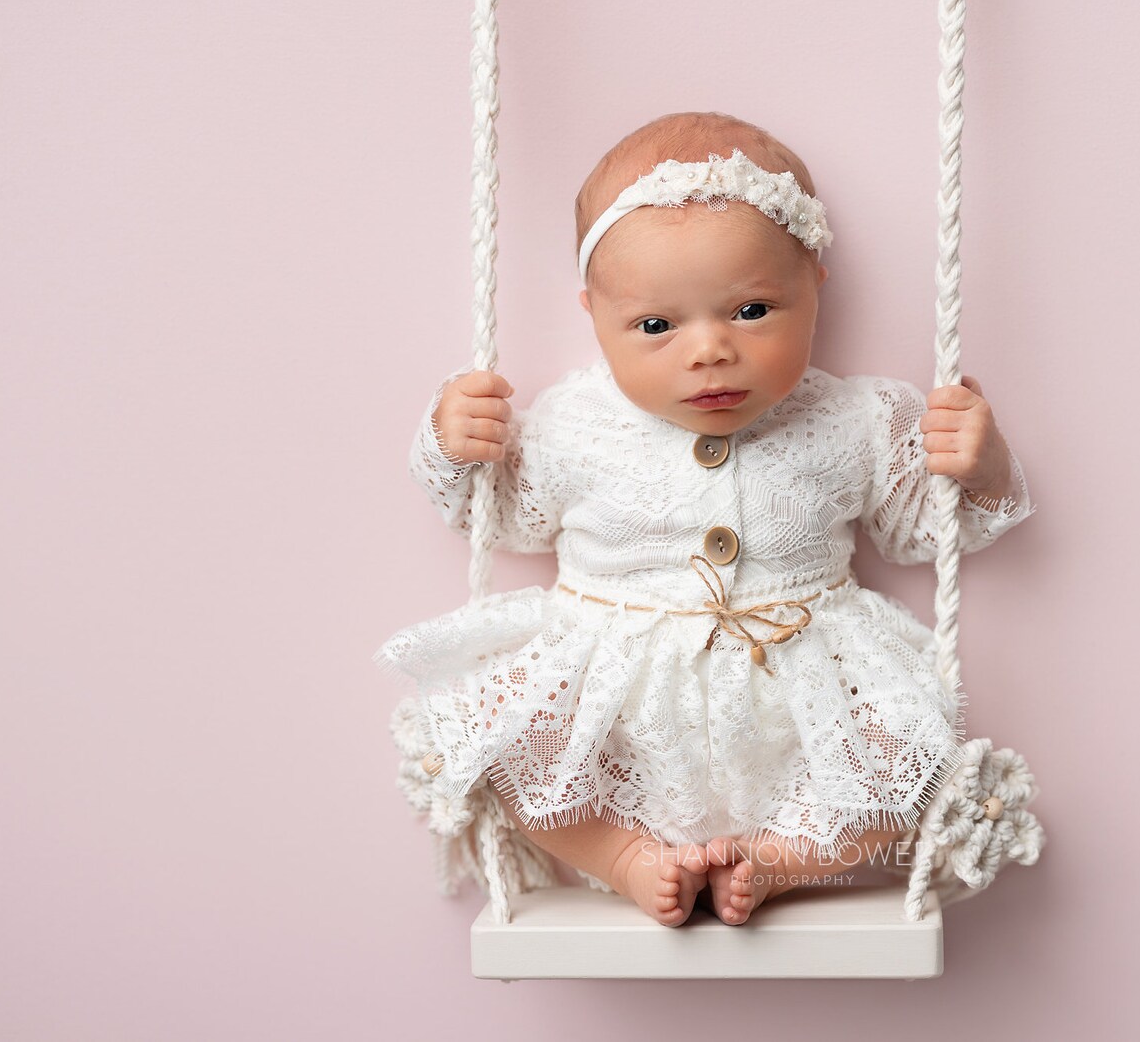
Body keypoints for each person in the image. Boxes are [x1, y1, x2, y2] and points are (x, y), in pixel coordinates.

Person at [375, 111, 1034, 927]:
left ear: (813, 286)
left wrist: (980, 464)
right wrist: (452, 444)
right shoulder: (567, 424)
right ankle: (621, 853)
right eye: (656, 325)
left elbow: (924, 531)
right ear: (594, 314)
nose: (710, 349)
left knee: (911, 762)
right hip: (615, 683)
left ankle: (783, 859)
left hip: (804, 674)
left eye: (753, 310)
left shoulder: (853, 418)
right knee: (509, 747)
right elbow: (498, 515)